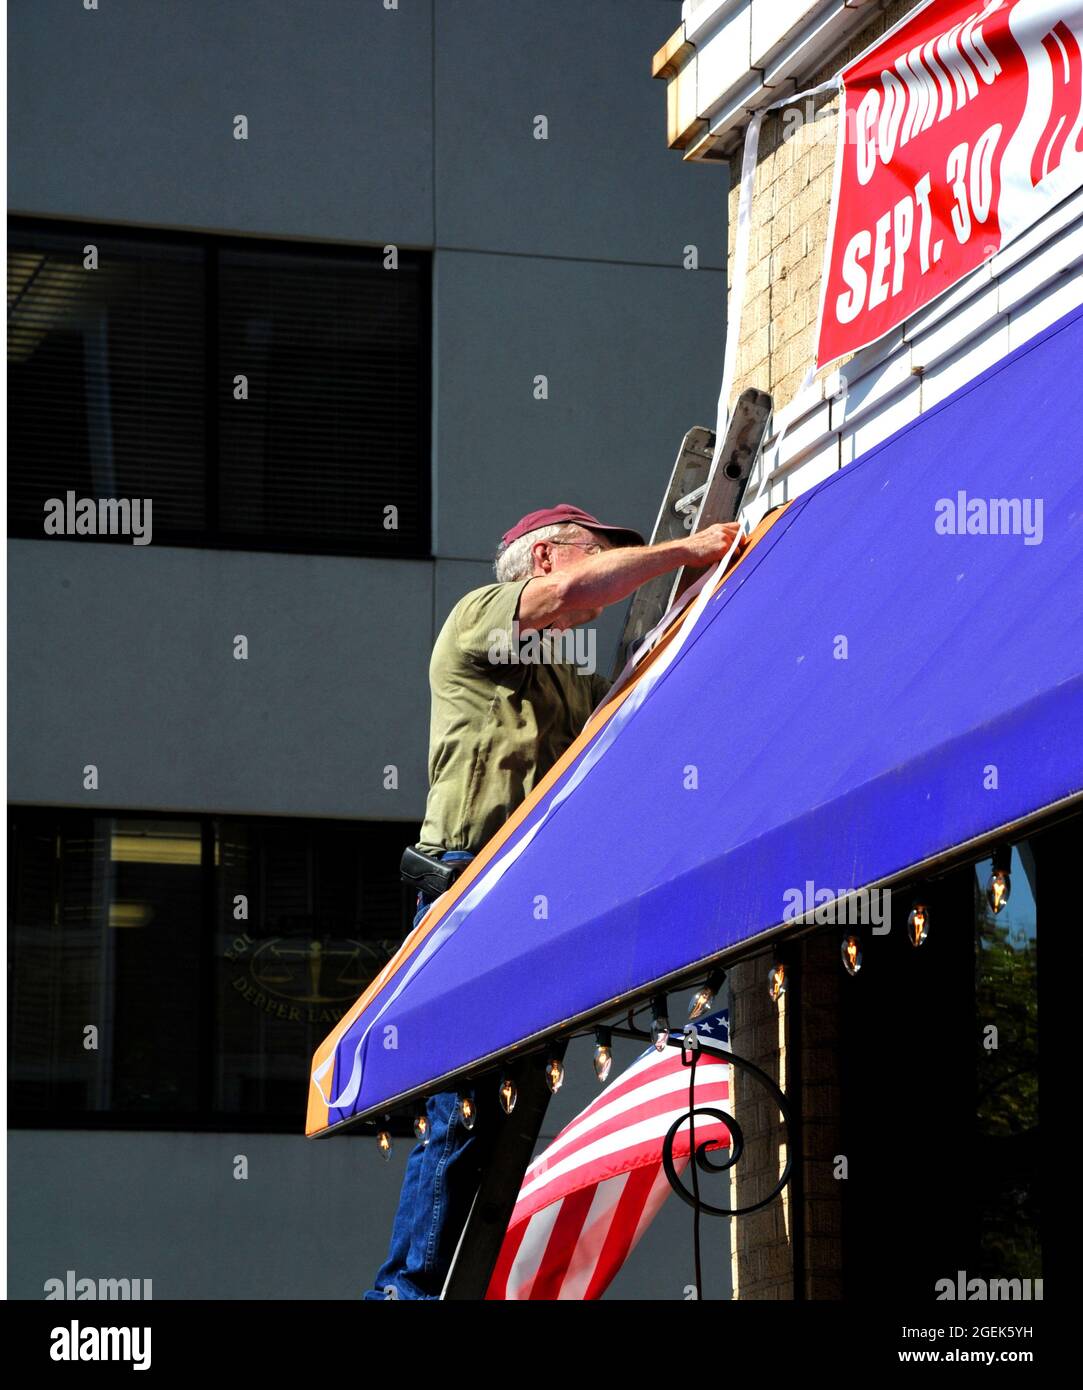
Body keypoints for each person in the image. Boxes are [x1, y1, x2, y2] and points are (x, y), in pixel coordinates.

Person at [363, 502, 742, 1299]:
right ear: (543, 558)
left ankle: (452, 1280)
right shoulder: (480, 619)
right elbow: (567, 601)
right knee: (462, 1106)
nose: (604, 586)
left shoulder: (568, 673)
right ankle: (403, 1294)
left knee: (506, 1107)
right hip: (466, 884)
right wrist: (688, 551)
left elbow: (630, 728)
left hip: (530, 895)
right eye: (594, 555)